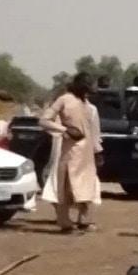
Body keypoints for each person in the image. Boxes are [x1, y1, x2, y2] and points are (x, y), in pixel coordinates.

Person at [38, 72, 102, 233]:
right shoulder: (64, 100)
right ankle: (65, 223)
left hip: (86, 154)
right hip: (69, 151)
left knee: (87, 187)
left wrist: (98, 151)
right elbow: (44, 120)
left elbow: (94, 132)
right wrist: (64, 129)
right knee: (66, 188)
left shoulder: (89, 106)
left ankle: (84, 220)